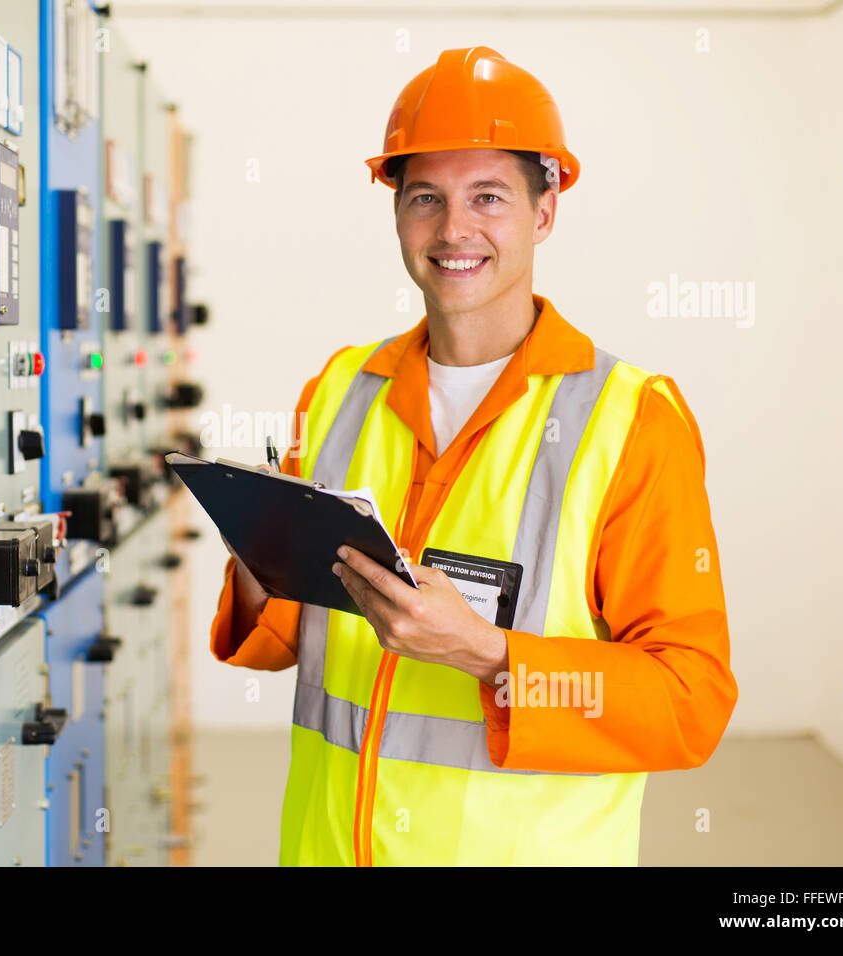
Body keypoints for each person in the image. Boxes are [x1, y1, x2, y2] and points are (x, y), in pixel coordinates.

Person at [207, 47, 738, 866]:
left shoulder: (631, 419)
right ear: (396, 213)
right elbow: (287, 634)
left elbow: (689, 701)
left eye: (487, 197)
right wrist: (256, 541)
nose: (453, 230)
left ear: (545, 211)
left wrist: (489, 655)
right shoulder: (340, 388)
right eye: (426, 199)